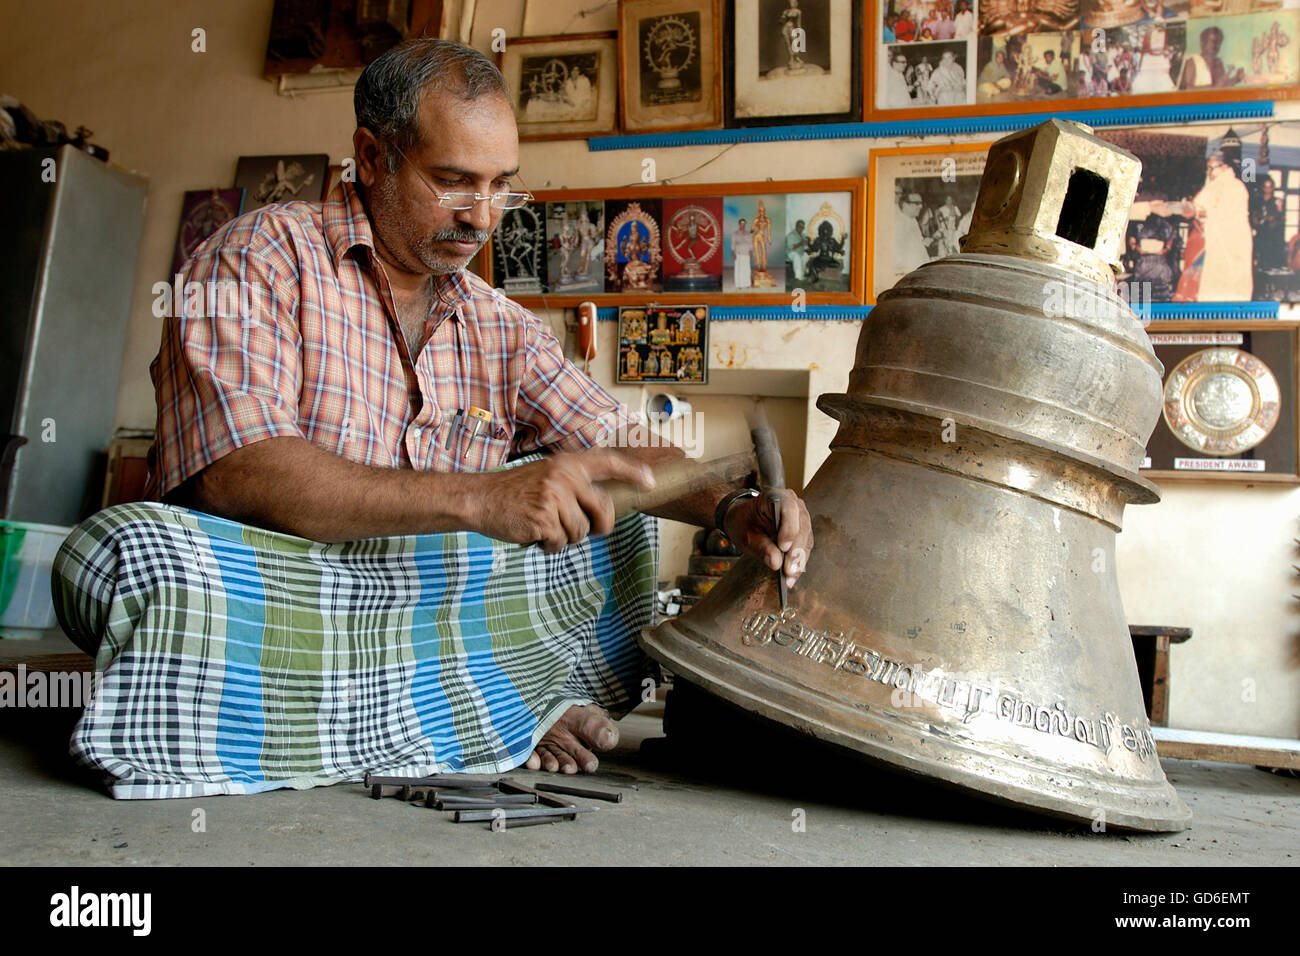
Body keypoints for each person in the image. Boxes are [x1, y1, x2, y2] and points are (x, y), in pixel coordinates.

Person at [53, 39, 813, 798]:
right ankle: (494, 714)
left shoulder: (499, 323)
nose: (481, 216)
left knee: (620, 520)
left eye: (500, 187)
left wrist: (733, 506)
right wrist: (481, 498)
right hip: (287, 600)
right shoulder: (256, 259)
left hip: (423, 612)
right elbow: (236, 472)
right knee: (129, 555)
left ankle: (439, 714)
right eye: (452, 181)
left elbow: (620, 446)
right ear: (372, 156)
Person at [1157, 150, 1254, 301]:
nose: (1209, 172)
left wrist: (1196, 211)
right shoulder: (1210, 187)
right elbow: (1196, 208)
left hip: (1230, 245)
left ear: (1225, 167)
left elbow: (1223, 214)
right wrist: (1175, 208)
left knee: (1227, 290)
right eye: (1207, 168)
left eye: (1212, 168)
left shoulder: (1236, 187)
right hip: (1209, 243)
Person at [1180, 26, 1246, 88]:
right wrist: (1214, 87)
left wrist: (1236, 79)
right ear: (1202, 42)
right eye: (1212, 41)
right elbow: (1185, 89)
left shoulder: (1218, 63)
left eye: (1218, 42)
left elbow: (1222, 87)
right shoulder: (1192, 62)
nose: (1215, 45)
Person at [895, 191, 933, 272]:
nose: (921, 206)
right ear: (905, 205)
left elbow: (916, 244)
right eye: (917, 203)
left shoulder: (913, 220)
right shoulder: (897, 223)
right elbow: (898, 259)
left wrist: (925, 242)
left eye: (921, 203)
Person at [732, 216, 754, 287]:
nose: (743, 225)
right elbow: (733, 244)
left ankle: (747, 284)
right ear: (739, 224)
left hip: (746, 253)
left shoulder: (748, 234)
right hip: (738, 253)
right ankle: (739, 285)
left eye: (744, 224)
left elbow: (751, 244)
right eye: (741, 224)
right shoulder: (735, 233)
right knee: (739, 270)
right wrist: (734, 253)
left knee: (747, 270)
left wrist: (751, 252)